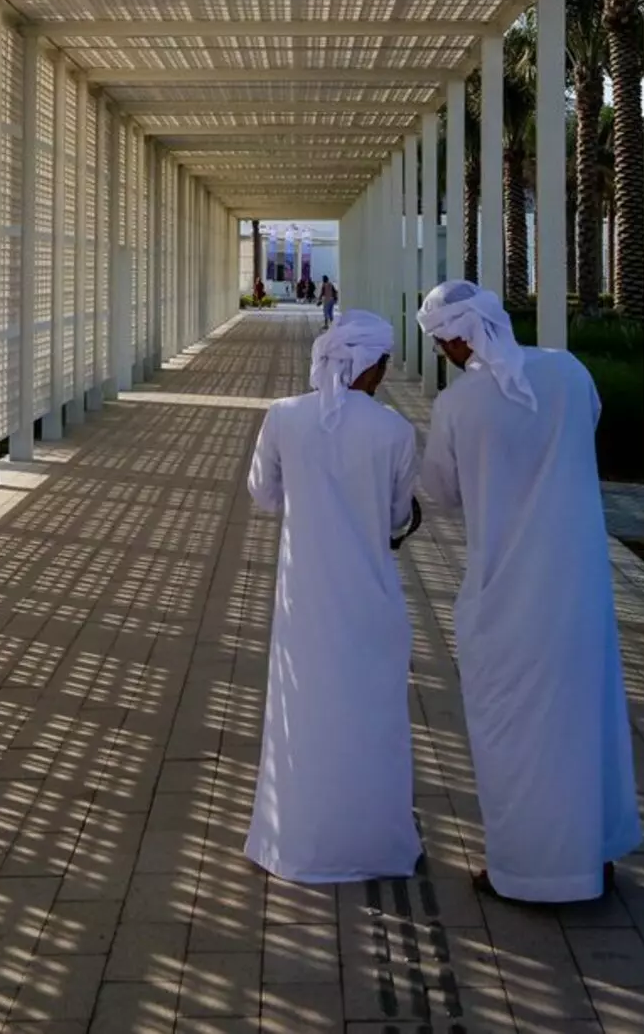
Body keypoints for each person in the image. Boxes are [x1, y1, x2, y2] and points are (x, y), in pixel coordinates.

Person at [416, 280, 642, 904]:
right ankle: (590, 855)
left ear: (461, 335)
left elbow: (443, 491)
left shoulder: (459, 407)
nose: (443, 354)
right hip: (577, 585)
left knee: (511, 729)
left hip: (505, 589)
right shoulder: (567, 372)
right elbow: (588, 426)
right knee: (580, 718)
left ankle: (527, 871)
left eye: (442, 343)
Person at [245, 310, 423, 884]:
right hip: (370, 592)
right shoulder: (395, 431)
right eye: (384, 364)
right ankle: (371, 843)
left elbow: (264, 495)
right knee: (370, 713)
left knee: (303, 712)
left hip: (304, 595)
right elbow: (397, 515)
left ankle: (296, 840)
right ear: (371, 366)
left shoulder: (284, 416)